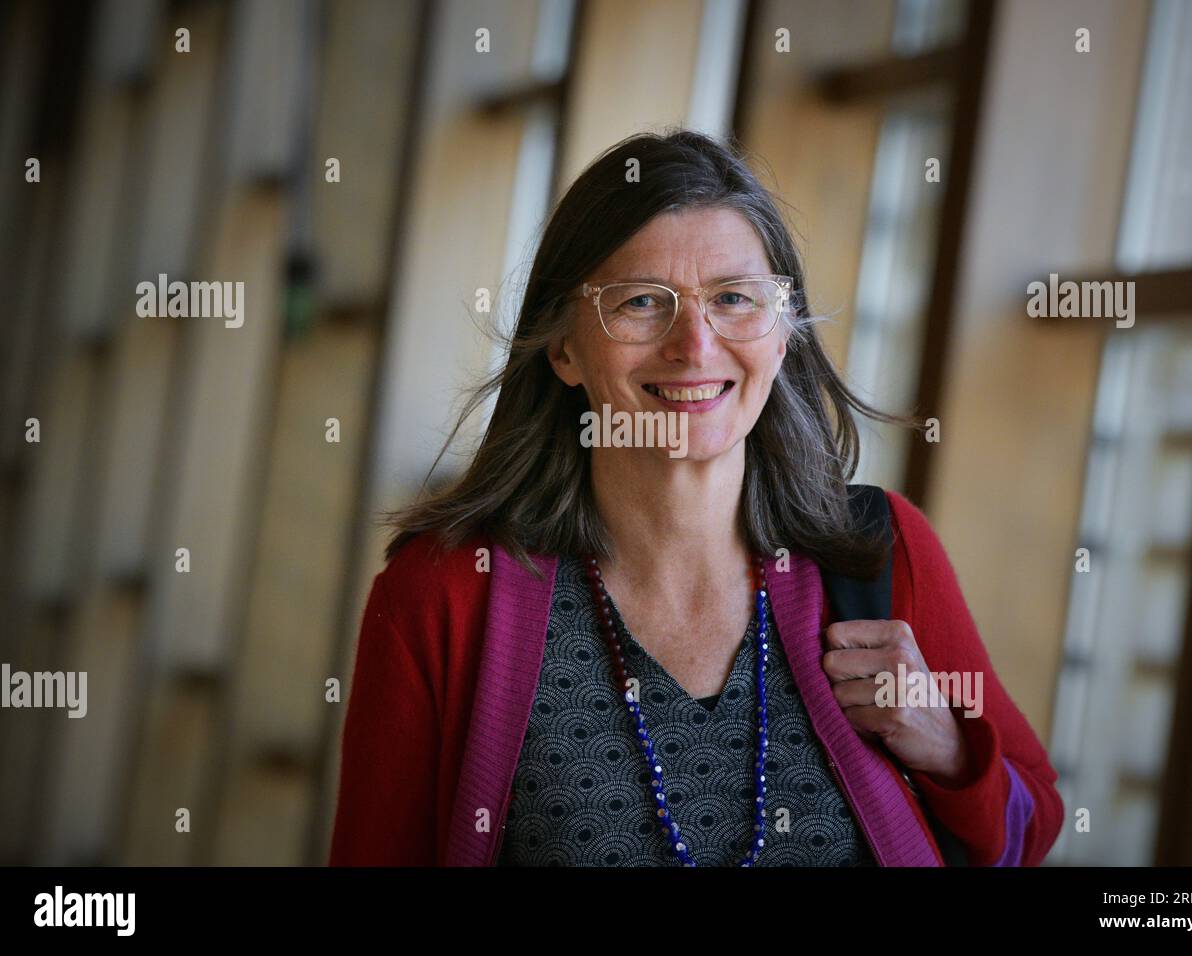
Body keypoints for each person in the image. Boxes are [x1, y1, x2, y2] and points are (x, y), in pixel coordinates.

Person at [328, 129, 1063, 866]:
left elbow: (1033, 828)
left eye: (735, 299)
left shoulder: (882, 550)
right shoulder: (442, 596)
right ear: (564, 350)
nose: (696, 345)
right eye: (643, 302)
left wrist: (949, 751)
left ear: (781, 336)